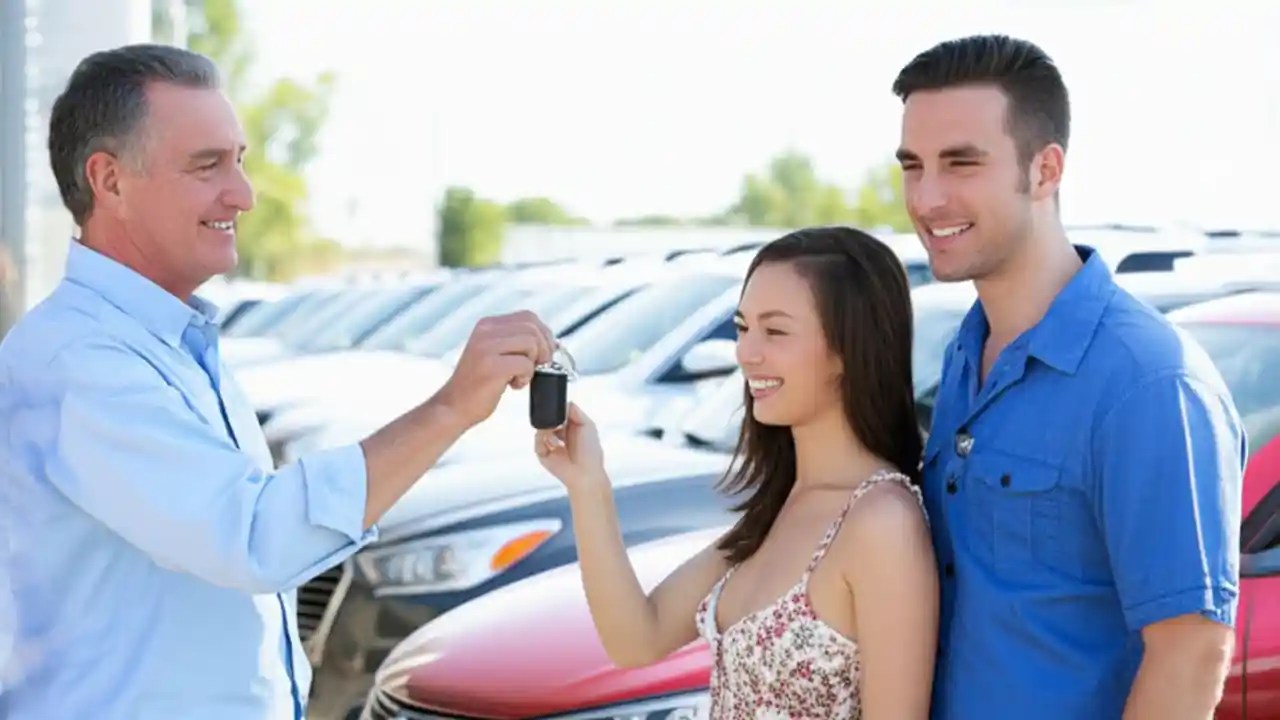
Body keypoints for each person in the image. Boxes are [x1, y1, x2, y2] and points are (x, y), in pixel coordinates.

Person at [0, 44, 555, 720]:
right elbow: (254, 537)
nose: (244, 193)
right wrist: (449, 409)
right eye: (207, 166)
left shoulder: (168, 342)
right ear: (109, 181)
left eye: (239, 160)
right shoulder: (79, 361)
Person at [892, 34, 1246, 719]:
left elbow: (1190, 652)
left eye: (962, 163)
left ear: (1046, 170)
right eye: (913, 166)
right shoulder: (964, 355)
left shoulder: (1148, 383)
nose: (928, 198)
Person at [535, 226, 939, 719]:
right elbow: (637, 638)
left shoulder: (881, 520)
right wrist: (587, 485)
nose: (745, 352)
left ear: (848, 350)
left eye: (775, 331)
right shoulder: (781, 505)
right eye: (743, 327)